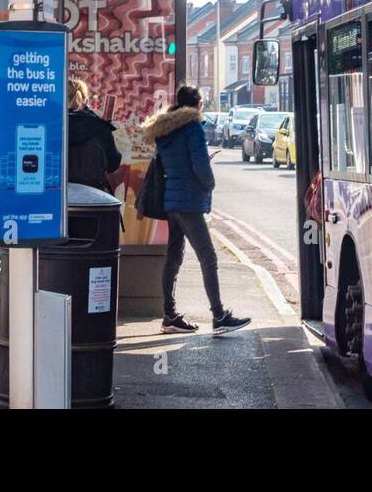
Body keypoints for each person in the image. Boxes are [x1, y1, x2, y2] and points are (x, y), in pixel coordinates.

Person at [142, 84, 251, 336]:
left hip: (172, 201)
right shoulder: (192, 129)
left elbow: (176, 162)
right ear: (197, 105)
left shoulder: (166, 130)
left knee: (174, 257)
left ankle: (169, 315)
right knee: (208, 257)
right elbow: (201, 168)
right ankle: (219, 315)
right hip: (189, 202)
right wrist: (210, 182)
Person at [68, 78, 121, 194]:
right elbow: (113, 163)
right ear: (85, 99)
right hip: (93, 195)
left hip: (59, 195)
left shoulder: (53, 126)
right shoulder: (100, 126)